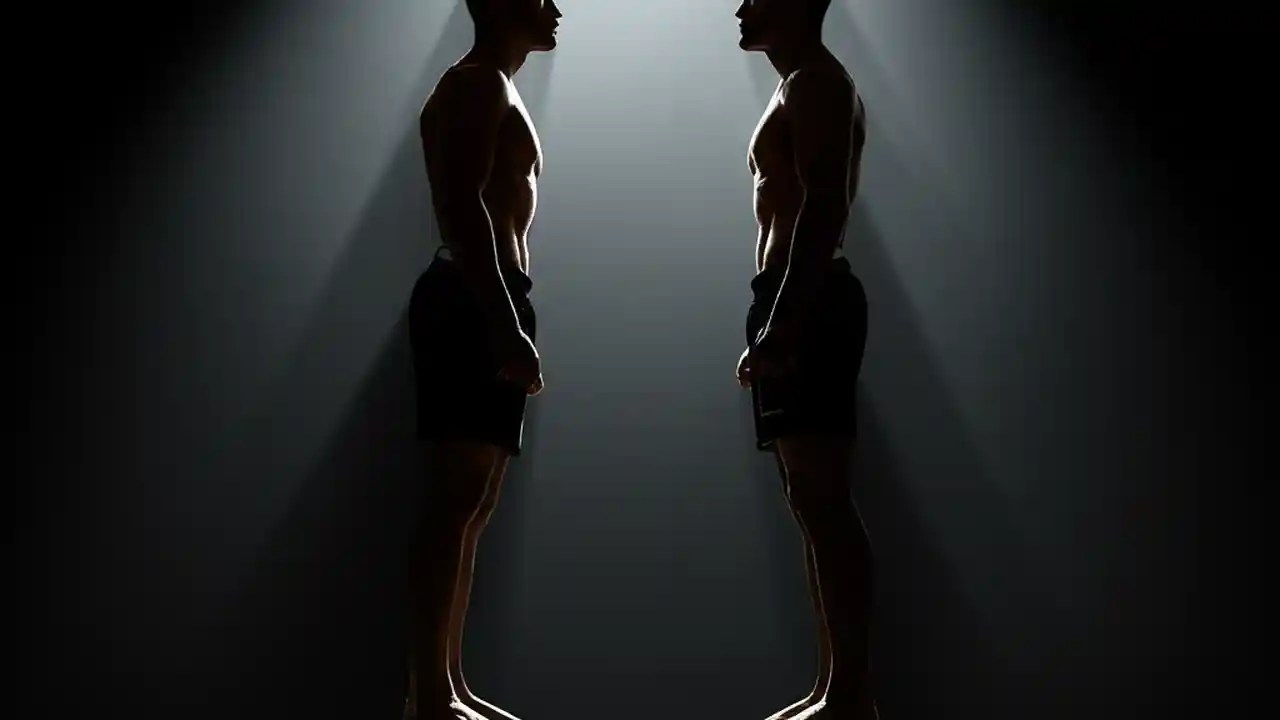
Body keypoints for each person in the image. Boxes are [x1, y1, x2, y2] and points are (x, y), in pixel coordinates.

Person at [406, 1, 561, 718]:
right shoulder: (475, 83)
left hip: (493, 296)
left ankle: (450, 684)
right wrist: (500, 321)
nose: (554, 9)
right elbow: (460, 203)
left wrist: (509, 313)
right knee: (454, 497)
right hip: (472, 296)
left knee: (475, 503)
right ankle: (429, 697)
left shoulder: (494, 83)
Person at [733, 1, 878, 718]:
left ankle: (849, 694)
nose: (740, 8)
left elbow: (824, 203)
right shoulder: (798, 83)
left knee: (824, 497)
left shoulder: (817, 82)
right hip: (791, 296)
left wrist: (787, 318)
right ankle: (832, 688)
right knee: (809, 499)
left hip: (809, 299)